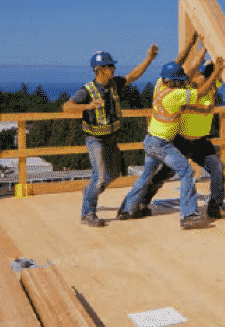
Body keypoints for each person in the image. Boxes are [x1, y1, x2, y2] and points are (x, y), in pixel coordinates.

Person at [118, 55, 225, 229]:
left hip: (193, 142)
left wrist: (203, 52)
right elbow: (198, 86)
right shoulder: (180, 93)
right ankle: (186, 214)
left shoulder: (163, 84)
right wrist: (213, 71)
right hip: (175, 141)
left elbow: (188, 66)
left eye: (201, 74)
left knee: (216, 168)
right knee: (176, 173)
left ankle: (128, 208)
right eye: (192, 75)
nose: (195, 76)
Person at [63, 45, 159, 227]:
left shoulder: (115, 84)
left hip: (112, 139)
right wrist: (88, 106)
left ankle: (91, 191)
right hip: (95, 140)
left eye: (113, 66)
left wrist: (149, 59)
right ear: (99, 70)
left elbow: (134, 75)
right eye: (110, 67)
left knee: (113, 175)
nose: (114, 69)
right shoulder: (87, 90)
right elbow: (66, 107)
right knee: (99, 179)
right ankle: (88, 214)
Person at [172, 59, 225, 219]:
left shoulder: (211, 86)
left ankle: (215, 207)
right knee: (164, 172)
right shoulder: (187, 89)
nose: (201, 81)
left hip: (200, 142)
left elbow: (217, 76)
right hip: (181, 140)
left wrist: (214, 66)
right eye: (198, 78)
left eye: (205, 77)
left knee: (218, 168)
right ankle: (143, 201)